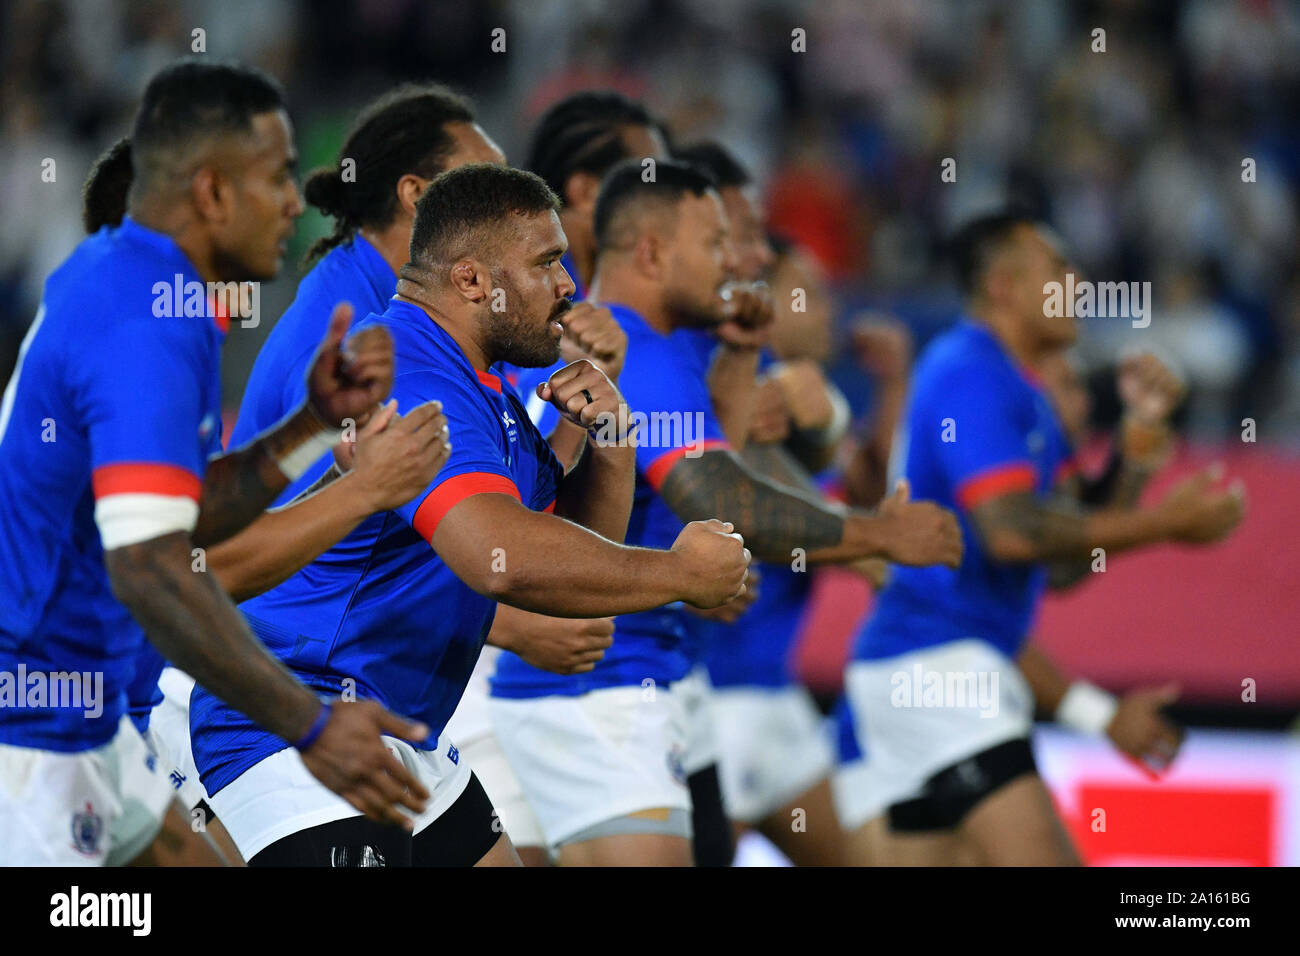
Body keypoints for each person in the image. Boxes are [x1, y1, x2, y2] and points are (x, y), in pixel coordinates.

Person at [189, 163, 752, 867]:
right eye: (547, 262)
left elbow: (569, 563)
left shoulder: (486, 391)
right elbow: (507, 559)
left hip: (403, 727)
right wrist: (682, 573)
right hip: (296, 716)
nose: (568, 285)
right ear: (471, 280)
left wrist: (608, 442)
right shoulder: (408, 371)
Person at [0, 59, 432, 866]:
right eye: (274, 176)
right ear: (211, 192)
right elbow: (153, 569)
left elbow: (183, 514)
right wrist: (308, 725)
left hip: (87, 716)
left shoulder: (143, 287)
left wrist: (309, 425)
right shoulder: (142, 325)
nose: (295, 202)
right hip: (31, 743)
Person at [491, 159, 963, 867]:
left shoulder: (667, 348)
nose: (738, 264)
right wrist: (879, 534)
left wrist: (739, 360)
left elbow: (728, 477)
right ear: (651, 253)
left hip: (645, 681)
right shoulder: (636, 353)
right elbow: (713, 493)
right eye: (715, 244)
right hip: (602, 686)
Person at [837, 211, 1245, 866]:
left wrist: (1134, 460)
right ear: (1003, 285)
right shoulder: (971, 371)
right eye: (1059, 267)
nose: (1079, 282)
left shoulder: (1021, 395)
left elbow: (1060, 566)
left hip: (939, 669)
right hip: (936, 667)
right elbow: (1012, 534)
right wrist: (1167, 523)